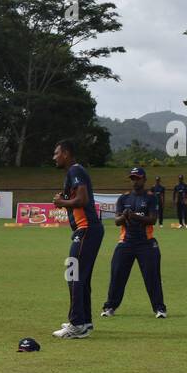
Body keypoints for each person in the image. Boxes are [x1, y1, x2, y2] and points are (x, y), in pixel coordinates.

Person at [51, 140, 104, 339]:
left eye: (56, 153)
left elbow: (82, 200)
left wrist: (61, 201)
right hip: (88, 230)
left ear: (65, 153)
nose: (54, 157)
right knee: (82, 277)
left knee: (72, 273)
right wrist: (63, 201)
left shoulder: (75, 170)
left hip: (86, 230)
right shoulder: (74, 172)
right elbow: (77, 201)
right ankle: (85, 322)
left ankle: (76, 324)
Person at [101, 167, 167, 319]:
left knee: (152, 276)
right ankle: (110, 306)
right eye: (132, 178)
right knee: (117, 275)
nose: (134, 181)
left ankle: (160, 308)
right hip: (126, 242)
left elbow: (153, 219)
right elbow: (117, 221)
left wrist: (134, 216)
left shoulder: (151, 197)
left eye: (137, 178)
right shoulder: (124, 198)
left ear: (144, 179)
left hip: (146, 242)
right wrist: (124, 216)